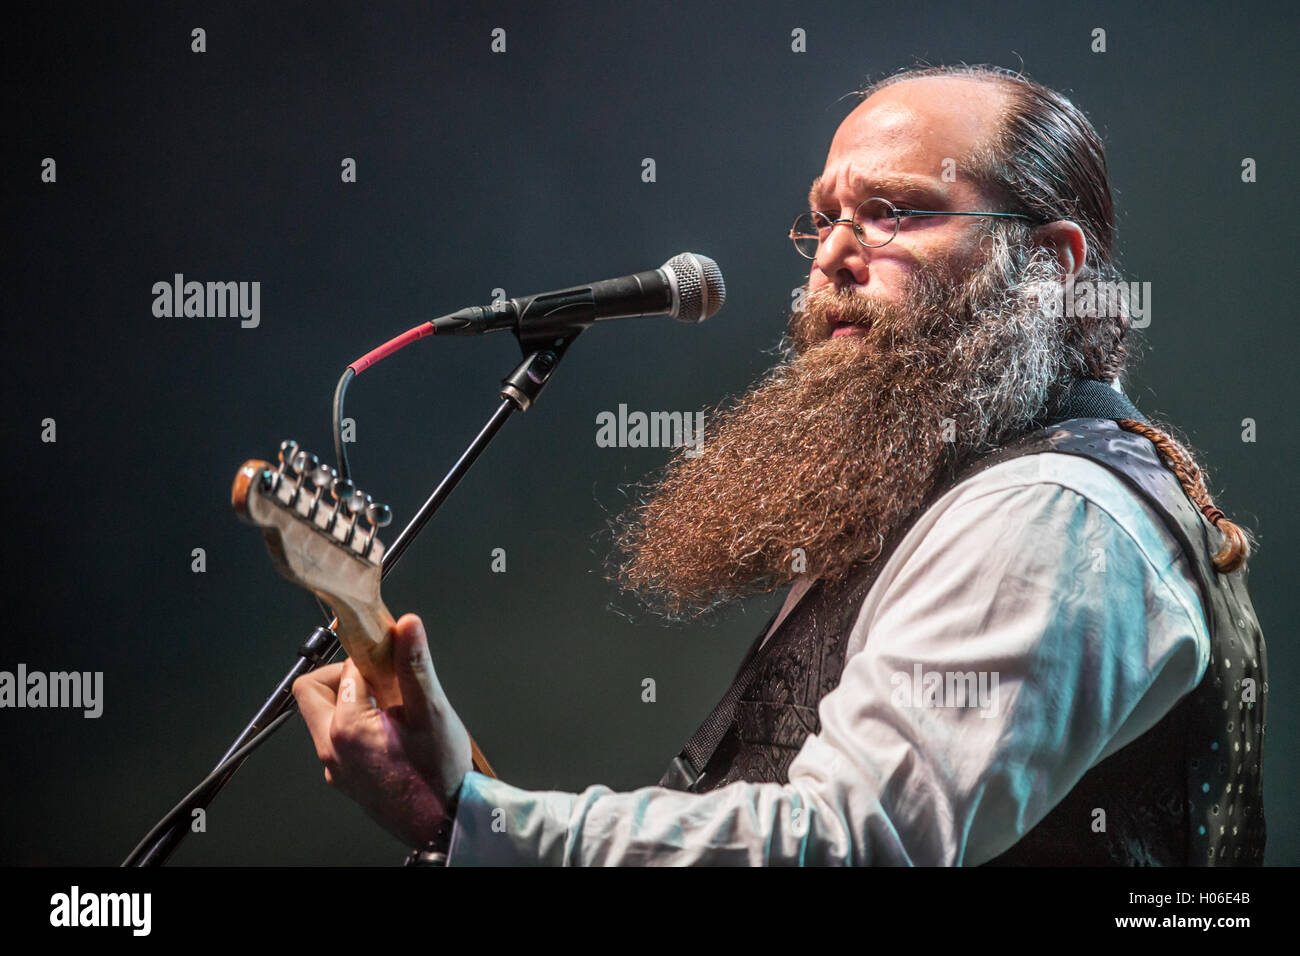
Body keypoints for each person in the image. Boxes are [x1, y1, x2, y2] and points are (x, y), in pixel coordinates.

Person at [292, 64, 1267, 866]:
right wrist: (460, 801)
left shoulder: (1050, 516)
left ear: (1050, 263)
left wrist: (472, 816)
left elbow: (845, 842)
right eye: (823, 218)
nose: (835, 252)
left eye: (894, 211)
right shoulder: (934, 493)